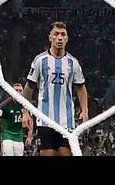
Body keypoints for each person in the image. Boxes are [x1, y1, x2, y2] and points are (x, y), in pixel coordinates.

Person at [23, 21, 88, 156]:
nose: (59, 38)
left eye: (63, 34)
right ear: (50, 37)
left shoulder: (73, 62)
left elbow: (81, 87)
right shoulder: (40, 60)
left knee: (65, 153)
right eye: (56, 34)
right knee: (48, 154)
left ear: (67, 39)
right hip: (45, 118)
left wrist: (85, 110)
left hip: (67, 120)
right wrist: (25, 112)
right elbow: (29, 87)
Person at [0, 81, 33, 156]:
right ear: (11, 92)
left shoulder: (26, 105)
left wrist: (29, 136)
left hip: (19, 138)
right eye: (16, 90)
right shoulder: (4, 105)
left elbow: (30, 120)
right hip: (7, 136)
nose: (18, 92)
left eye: (20, 90)